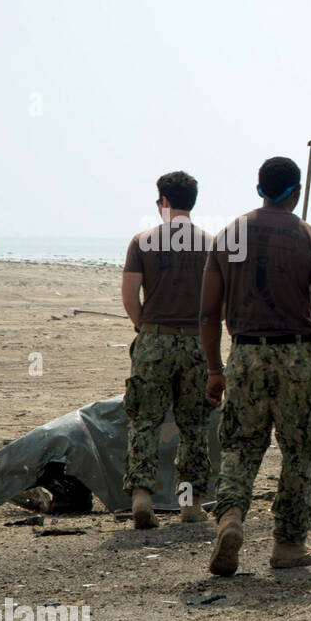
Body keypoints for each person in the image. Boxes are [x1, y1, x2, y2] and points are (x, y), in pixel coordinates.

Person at [199, 157, 311, 576]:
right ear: (296, 191)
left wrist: (214, 369)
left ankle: (230, 519)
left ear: (259, 188)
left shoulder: (229, 236)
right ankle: (288, 544)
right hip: (296, 357)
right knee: (300, 451)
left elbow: (209, 313)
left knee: (241, 447)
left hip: (244, 354)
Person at [121, 171, 213, 529]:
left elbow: (130, 296)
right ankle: (190, 504)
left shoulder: (142, 242)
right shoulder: (210, 243)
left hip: (154, 337)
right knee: (194, 424)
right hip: (196, 340)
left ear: (163, 202)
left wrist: (143, 326)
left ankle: (142, 496)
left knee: (145, 420)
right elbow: (216, 301)